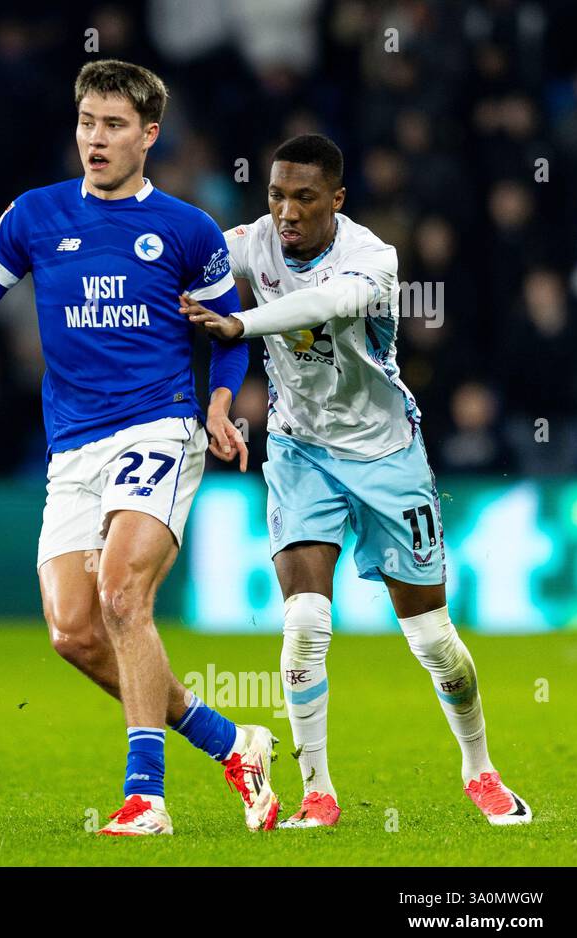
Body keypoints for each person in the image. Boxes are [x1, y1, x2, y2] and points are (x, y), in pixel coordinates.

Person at [0, 59, 279, 836]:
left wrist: (219, 405)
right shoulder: (35, 215)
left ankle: (145, 797)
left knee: (121, 595)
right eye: (87, 123)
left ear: (149, 134)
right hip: (74, 445)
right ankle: (233, 743)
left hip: (159, 425)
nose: (96, 138)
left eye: (114, 125)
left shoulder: (188, 229)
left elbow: (229, 336)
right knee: (73, 631)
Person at [183, 134, 532, 827]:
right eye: (277, 194)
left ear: (336, 201)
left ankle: (479, 769)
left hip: (386, 455)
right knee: (306, 624)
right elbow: (184, 267)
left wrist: (239, 323)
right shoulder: (252, 241)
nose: (286, 211)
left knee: (433, 639)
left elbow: (320, 308)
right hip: (299, 449)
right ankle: (317, 789)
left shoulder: (373, 260)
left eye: (304, 197)